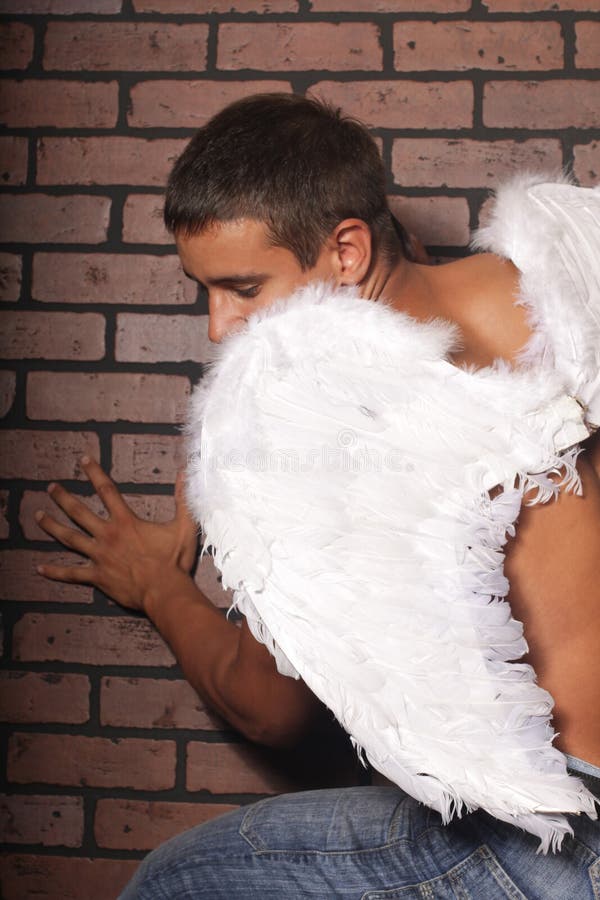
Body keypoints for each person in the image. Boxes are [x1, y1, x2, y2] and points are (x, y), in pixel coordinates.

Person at [35, 94, 599, 898]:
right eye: (204, 290)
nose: (219, 328)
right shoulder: (530, 281)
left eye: (242, 288)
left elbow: (273, 713)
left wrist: (157, 584)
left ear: (346, 250)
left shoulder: (321, 438)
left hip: (555, 844)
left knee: (172, 884)